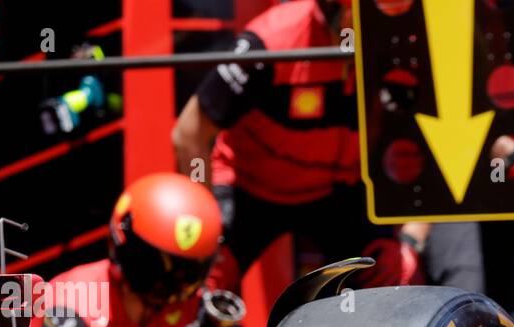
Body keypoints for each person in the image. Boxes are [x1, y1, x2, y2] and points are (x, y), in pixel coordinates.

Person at [170, 0, 415, 293]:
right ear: (333, 8)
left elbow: (418, 139)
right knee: (201, 280)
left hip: (336, 191)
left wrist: (405, 232)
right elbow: (189, 132)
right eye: (371, 12)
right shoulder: (272, 40)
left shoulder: (402, 40)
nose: (384, 24)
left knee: (395, 270)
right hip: (249, 188)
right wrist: (203, 222)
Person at [47, 172, 250, 327]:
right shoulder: (68, 304)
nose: (171, 290)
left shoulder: (197, 309)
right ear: (125, 246)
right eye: (153, 266)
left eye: (188, 272)